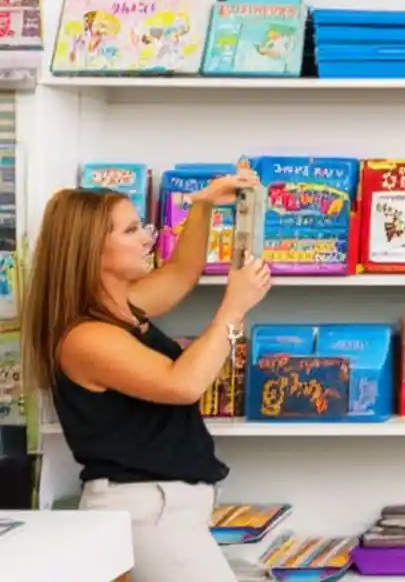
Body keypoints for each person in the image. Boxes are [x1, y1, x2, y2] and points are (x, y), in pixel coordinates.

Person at [21, 167, 272, 582]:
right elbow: (183, 385)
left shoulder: (123, 308)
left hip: (163, 509)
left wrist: (205, 203)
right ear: (90, 250)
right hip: (145, 510)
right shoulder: (85, 338)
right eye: (131, 230)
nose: (147, 238)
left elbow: (181, 274)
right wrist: (233, 309)